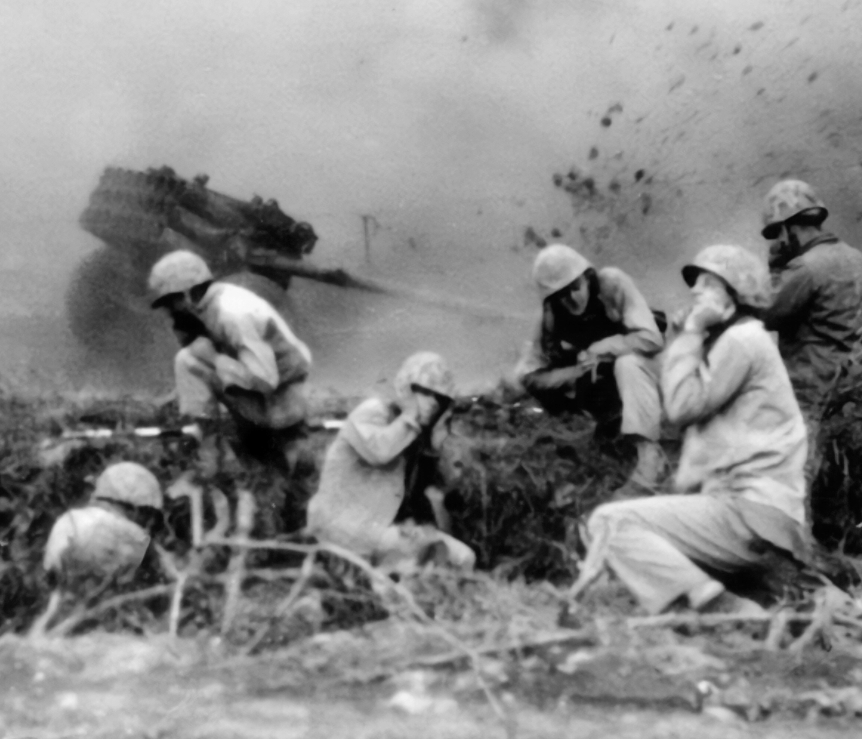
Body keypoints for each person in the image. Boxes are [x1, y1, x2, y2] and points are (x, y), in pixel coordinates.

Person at [571, 244, 814, 615]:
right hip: (757, 515)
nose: (696, 292)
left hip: (748, 514)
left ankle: (714, 606)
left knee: (608, 522)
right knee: (644, 537)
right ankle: (729, 594)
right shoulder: (738, 342)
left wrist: (692, 330)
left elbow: (682, 406)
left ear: (734, 295)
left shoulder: (742, 341)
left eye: (708, 284)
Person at [148, 249, 316, 538]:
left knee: (188, 360)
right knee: (274, 477)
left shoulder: (233, 313)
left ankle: (212, 458)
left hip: (279, 402)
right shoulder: (208, 306)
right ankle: (218, 456)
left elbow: (265, 377)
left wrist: (214, 360)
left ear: (188, 293)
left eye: (170, 301)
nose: (169, 311)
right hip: (264, 400)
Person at [510, 242, 670, 485]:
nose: (572, 300)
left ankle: (649, 453)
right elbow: (526, 372)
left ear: (587, 277)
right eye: (561, 295)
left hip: (644, 374)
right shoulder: (551, 315)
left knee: (627, 364)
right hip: (600, 392)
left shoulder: (611, 284)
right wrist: (573, 372)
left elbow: (651, 339)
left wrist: (604, 347)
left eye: (575, 287)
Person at [307, 352, 478, 574]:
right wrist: (411, 416)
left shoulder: (412, 436)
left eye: (440, 399)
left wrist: (432, 447)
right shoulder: (373, 411)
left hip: (381, 532)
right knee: (419, 560)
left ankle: (440, 603)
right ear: (406, 389)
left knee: (463, 558)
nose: (433, 403)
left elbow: (419, 496)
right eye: (425, 392)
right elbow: (380, 452)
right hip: (344, 529)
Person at [755, 178, 862, 411]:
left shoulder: (805, 268)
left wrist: (776, 269)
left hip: (812, 393)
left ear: (790, 228)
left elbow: (767, 314)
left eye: (778, 233)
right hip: (852, 384)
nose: (777, 242)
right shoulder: (856, 257)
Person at [43, 460, 167, 598]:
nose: (146, 523)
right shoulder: (137, 537)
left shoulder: (67, 520)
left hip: (62, 607)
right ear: (134, 508)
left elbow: (50, 574)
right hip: (106, 610)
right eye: (146, 514)